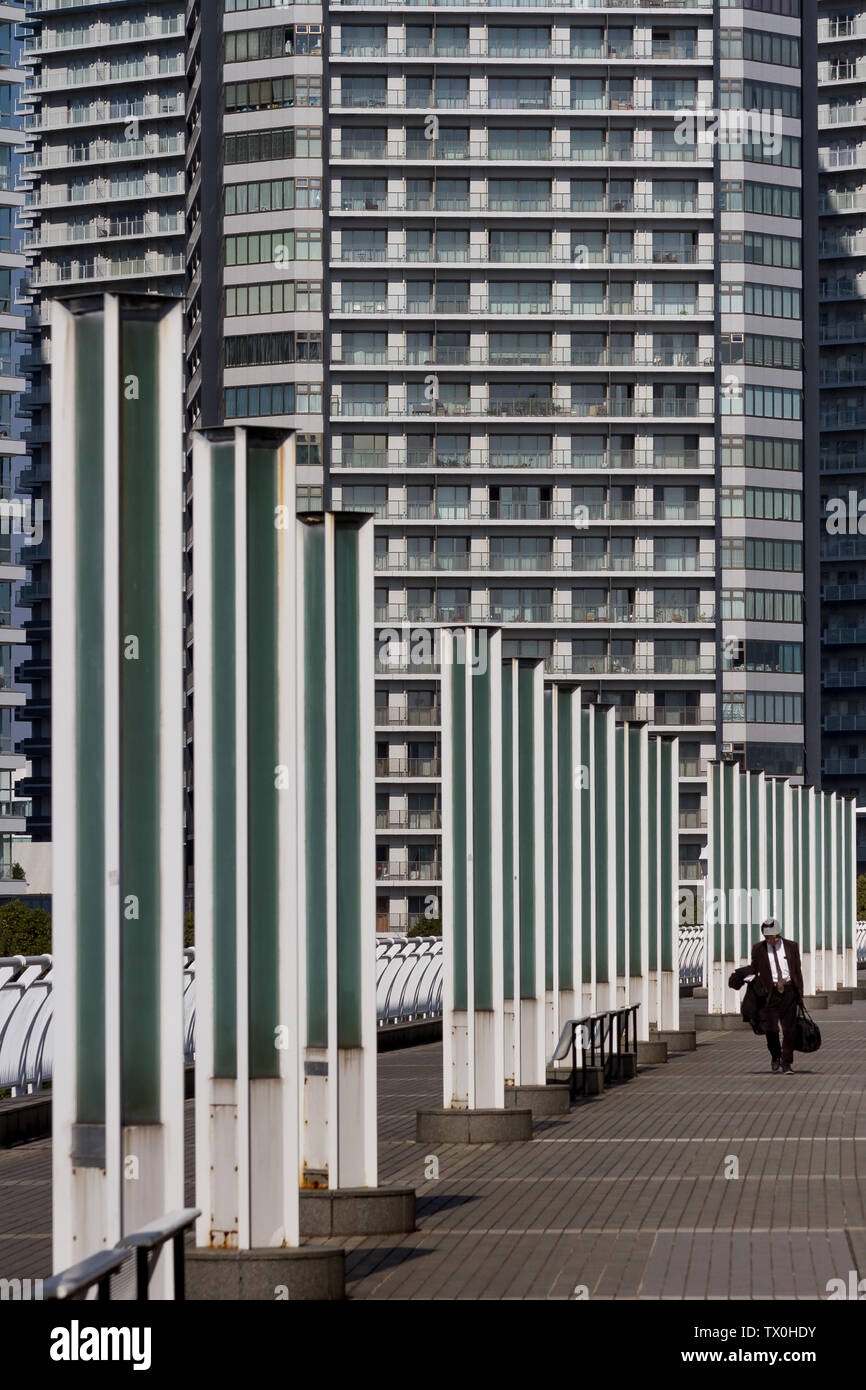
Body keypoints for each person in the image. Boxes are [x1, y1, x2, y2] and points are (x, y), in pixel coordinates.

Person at [733, 917, 804, 1074]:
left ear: (779, 934)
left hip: (789, 990)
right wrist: (744, 976)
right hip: (769, 993)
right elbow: (755, 967)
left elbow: (797, 971)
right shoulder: (758, 949)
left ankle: (787, 1063)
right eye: (767, 937)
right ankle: (775, 1055)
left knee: (789, 1029)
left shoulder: (791, 946)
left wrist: (800, 993)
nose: (771, 940)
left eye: (774, 937)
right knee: (771, 1028)